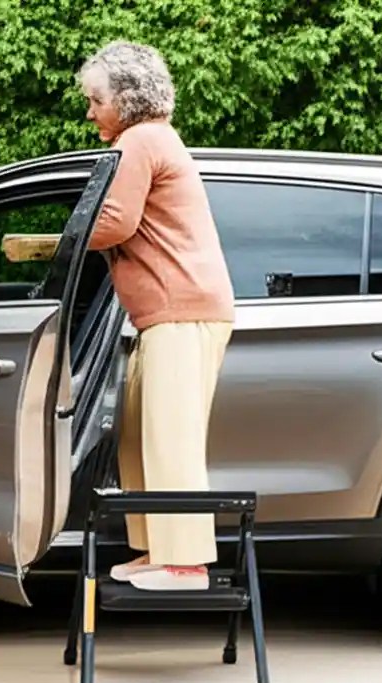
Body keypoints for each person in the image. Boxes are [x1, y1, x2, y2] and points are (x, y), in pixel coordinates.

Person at [77, 41, 236, 592]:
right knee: (141, 438)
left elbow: (116, 222)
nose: (90, 110)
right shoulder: (148, 139)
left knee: (172, 438)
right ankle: (155, 551)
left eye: (96, 99)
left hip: (181, 312)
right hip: (165, 316)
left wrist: (63, 241)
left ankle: (187, 564)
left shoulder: (141, 139)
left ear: (125, 97)